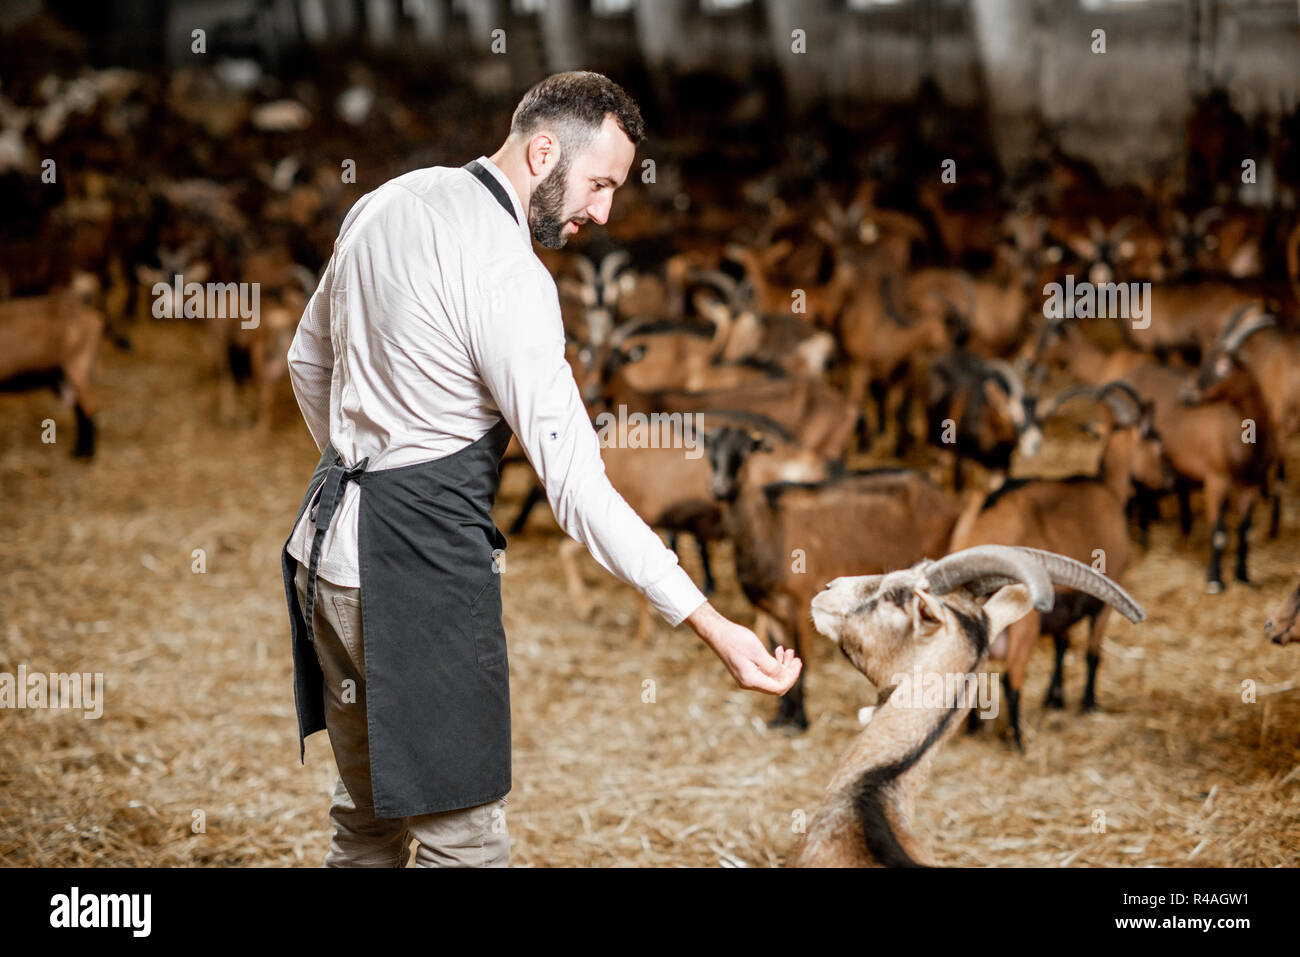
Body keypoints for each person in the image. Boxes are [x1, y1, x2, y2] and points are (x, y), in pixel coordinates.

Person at [281, 70, 801, 868]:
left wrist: (366, 469)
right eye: (599, 183)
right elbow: (577, 487)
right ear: (544, 148)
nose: (604, 210)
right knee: (466, 845)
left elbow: (305, 358)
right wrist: (710, 621)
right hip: (413, 579)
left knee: (367, 824)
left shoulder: (387, 200)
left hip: (327, 559)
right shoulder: (509, 274)